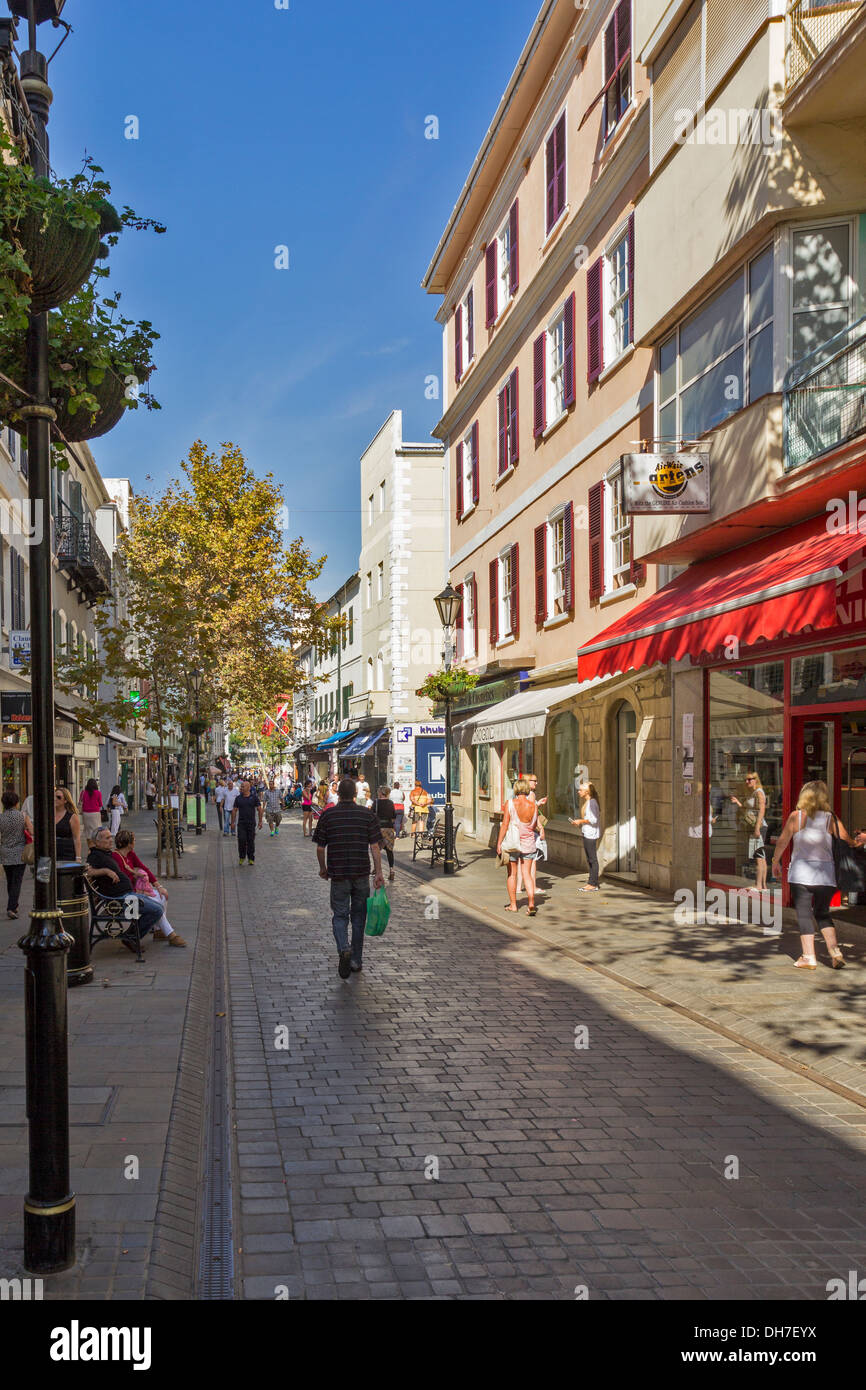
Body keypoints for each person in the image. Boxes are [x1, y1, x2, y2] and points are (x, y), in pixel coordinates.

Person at [771, 780, 859, 970]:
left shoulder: (796, 816)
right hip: (825, 875)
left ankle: (808, 956)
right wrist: (858, 840)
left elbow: (782, 842)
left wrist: (775, 862)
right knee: (822, 913)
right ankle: (834, 951)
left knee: (804, 914)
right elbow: (848, 841)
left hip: (801, 874)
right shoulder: (830, 818)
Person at [313, 776, 385, 978]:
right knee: (359, 917)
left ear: (337, 794)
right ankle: (356, 960)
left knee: (340, 915)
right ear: (355, 794)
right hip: (361, 873)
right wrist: (378, 872)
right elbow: (375, 847)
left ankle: (343, 948)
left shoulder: (328, 816)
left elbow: (320, 848)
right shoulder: (366, 815)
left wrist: (323, 868)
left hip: (338, 874)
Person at [85, 826, 162, 954]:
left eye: (111, 837)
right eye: (107, 838)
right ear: (97, 842)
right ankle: (131, 937)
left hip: (126, 895)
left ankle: (131, 936)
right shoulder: (95, 855)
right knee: (156, 910)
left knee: (158, 906)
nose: (111, 840)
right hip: (117, 900)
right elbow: (87, 871)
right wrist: (105, 871)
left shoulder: (107, 853)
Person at [112, 828, 187, 946]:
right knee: (157, 905)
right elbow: (123, 881)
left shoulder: (130, 854)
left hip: (134, 893)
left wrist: (158, 886)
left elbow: (144, 867)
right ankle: (170, 934)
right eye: (134, 840)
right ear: (129, 844)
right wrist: (140, 890)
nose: (135, 842)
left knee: (162, 895)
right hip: (129, 896)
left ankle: (158, 930)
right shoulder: (116, 857)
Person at [497, 778, 541, 915]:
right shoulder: (534, 806)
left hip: (512, 844)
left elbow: (505, 825)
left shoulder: (510, 803)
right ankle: (532, 903)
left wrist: (499, 843)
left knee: (512, 874)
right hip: (528, 843)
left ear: (516, 789)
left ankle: (513, 905)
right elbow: (533, 826)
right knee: (527, 874)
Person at [731, 771, 768, 891]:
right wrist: (738, 802)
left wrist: (757, 828)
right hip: (755, 826)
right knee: (761, 856)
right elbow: (748, 809)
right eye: (746, 780)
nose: (747, 782)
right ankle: (762, 885)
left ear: (756, 780)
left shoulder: (758, 793)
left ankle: (759, 885)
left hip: (758, 827)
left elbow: (762, 810)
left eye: (750, 779)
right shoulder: (755, 793)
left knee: (759, 856)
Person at [569, 781, 601, 891]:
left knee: (592, 859)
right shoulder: (589, 802)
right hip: (587, 832)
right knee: (590, 859)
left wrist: (580, 821)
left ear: (587, 792)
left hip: (591, 834)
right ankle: (591, 882)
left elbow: (594, 819)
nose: (578, 792)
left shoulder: (592, 803)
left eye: (581, 790)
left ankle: (593, 883)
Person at [0, 790, 27, 918]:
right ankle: (11, 907)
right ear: (16, 803)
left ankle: (14, 905)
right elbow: (31, 830)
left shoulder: (1, 817)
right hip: (19, 852)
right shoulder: (22, 816)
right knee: (17, 881)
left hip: (5, 852)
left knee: (10, 880)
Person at [232, 779, 260, 865]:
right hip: (241, 824)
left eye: (243, 786)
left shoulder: (254, 798)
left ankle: (251, 858)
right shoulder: (238, 798)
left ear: (248, 787)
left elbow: (259, 809)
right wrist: (232, 822)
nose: (241, 788)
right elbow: (234, 810)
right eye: (241, 786)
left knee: (250, 841)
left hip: (251, 823)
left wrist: (260, 821)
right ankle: (242, 857)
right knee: (241, 840)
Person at [375, 785, 397, 882]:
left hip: (378, 829)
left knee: (376, 849)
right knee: (389, 850)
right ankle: (391, 870)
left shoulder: (376, 802)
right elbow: (393, 816)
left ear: (380, 793)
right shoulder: (390, 803)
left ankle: (377, 869)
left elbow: (372, 815)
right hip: (389, 829)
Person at [55, 786, 83, 863]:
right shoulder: (49, 815)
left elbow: (76, 838)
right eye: (54, 796)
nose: (55, 799)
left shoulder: (72, 816)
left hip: (66, 852)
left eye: (58, 797)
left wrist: (78, 857)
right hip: (51, 852)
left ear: (65, 800)